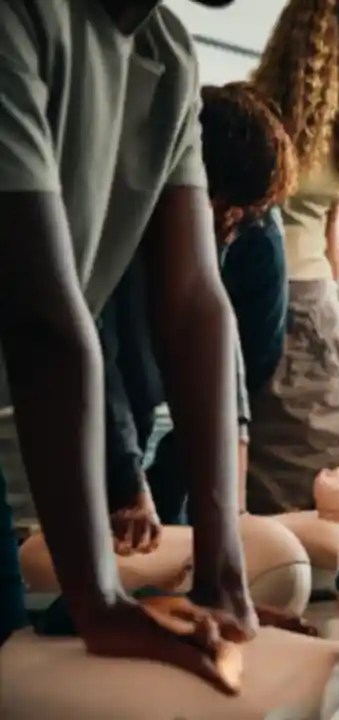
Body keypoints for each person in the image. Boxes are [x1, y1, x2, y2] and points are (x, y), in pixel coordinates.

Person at [0, 0, 266, 692]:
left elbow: (195, 305)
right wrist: (100, 602)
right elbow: (46, 323)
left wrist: (223, 570)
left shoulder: (167, 51)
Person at [99, 82, 298, 546]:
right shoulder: (123, 223)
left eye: (242, 217)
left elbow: (240, 372)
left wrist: (226, 521)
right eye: (225, 212)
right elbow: (100, 358)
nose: (230, 228)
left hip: (164, 413)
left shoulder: (255, 231)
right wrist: (128, 483)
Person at [247, 0, 339, 514]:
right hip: (265, 301)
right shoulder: (259, 112)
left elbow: (333, 233)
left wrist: (338, 321)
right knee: (278, 462)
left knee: (329, 460)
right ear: (328, 33)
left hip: (318, 306)